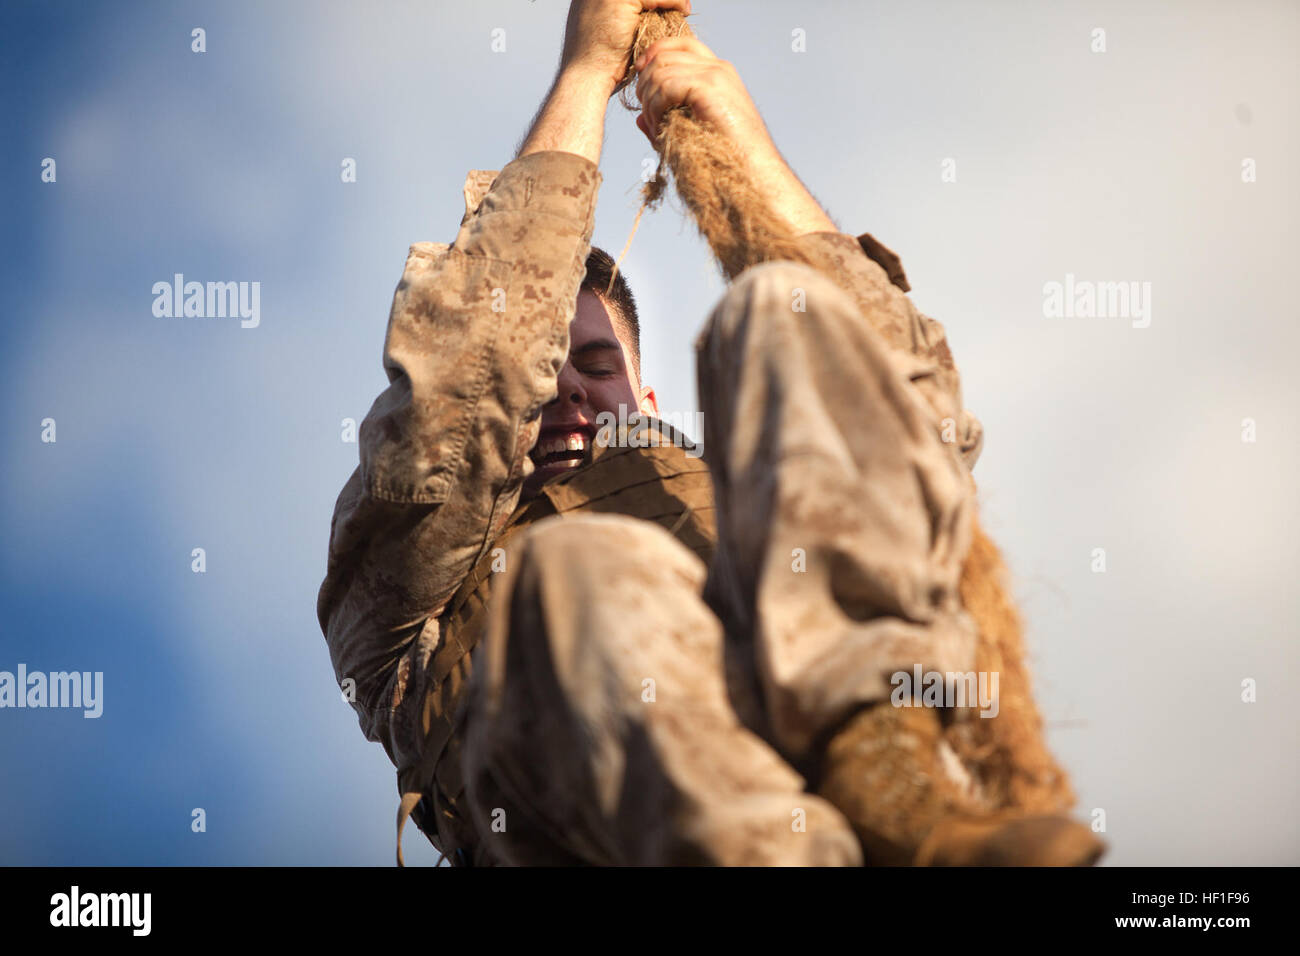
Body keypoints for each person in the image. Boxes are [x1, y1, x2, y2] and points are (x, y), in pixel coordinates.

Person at [317, 0, 1104, 866]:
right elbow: (467, 385)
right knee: (569, 569)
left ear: (644, 391)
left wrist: (742, 142)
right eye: (544, 375)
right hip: (599, 834)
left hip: (848, 819)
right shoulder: (405, 576)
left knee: (778, 316)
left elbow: (906, 418)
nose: (568, 391)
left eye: (595, 365)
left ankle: (880, 773)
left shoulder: (752, 516)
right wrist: (588, 74)